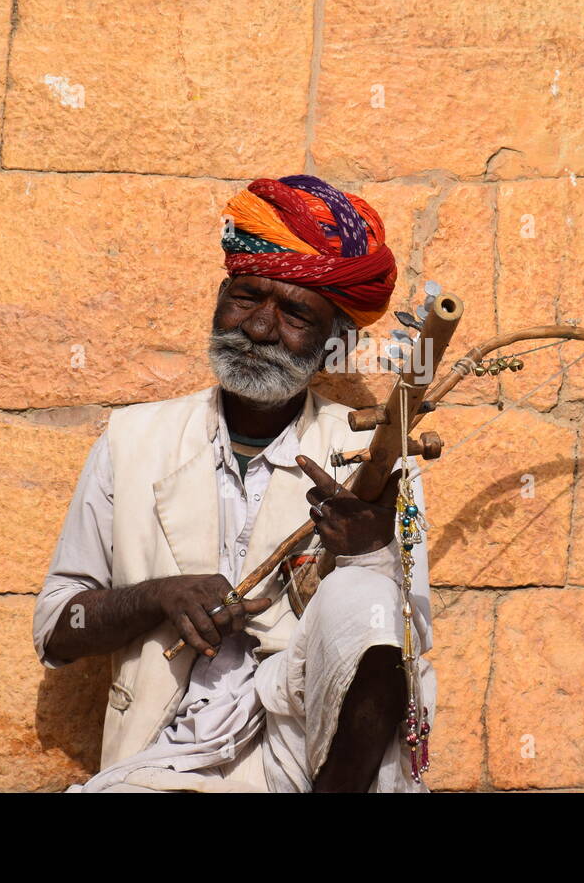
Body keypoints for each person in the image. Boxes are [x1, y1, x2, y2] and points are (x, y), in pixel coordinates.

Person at [32, 174, 435, 792]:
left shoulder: (373, 458)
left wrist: (371, 554)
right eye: (247, 298)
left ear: (335, 346)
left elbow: (402, 641)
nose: (260, 328)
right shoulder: (133, 441)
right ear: (221, 297)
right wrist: (157, 596)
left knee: (370, 596)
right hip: (164, 758)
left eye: (296, 312)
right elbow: (59, 630)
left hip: (306, 760)